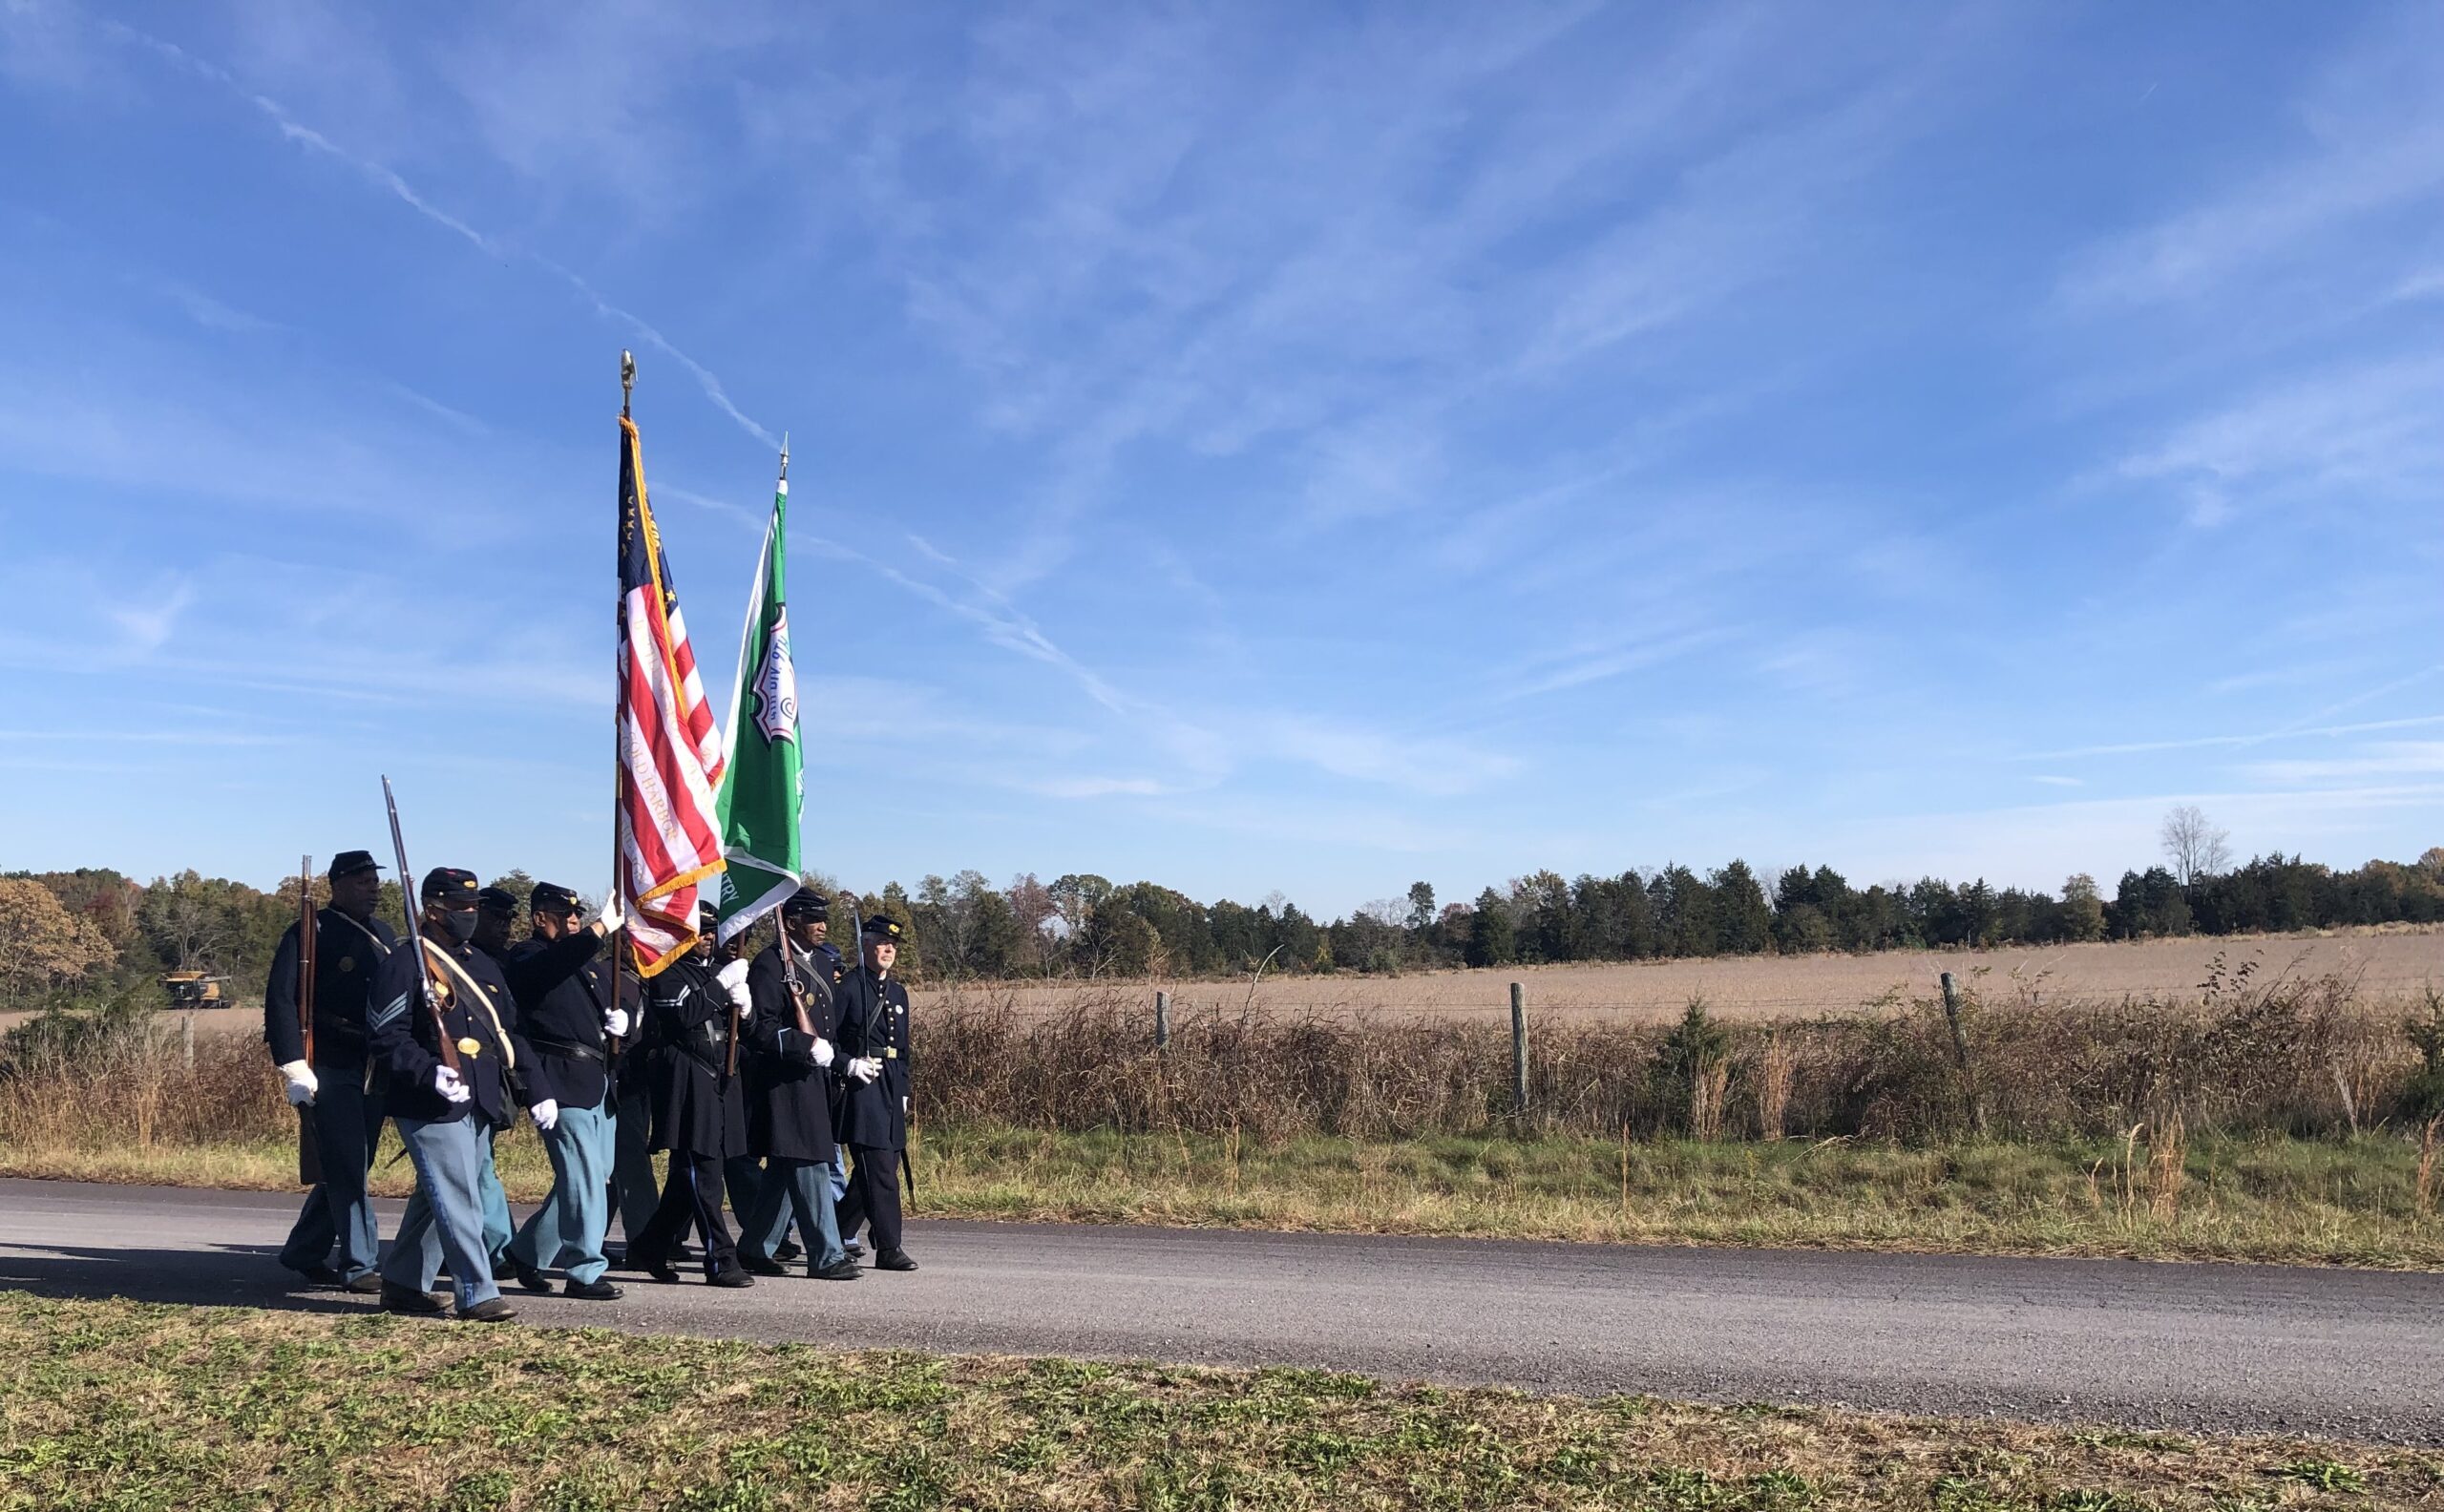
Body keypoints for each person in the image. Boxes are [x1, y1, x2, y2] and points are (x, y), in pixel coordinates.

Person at [368, 868, 557, 1322]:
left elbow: (508, 1032)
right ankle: (477, 1292)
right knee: (459, 1196)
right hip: (429, 1101)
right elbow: (385, 1034)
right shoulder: (406, 962)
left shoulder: (482, 964)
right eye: (459, 907)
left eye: (473, 907)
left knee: (441, 1193)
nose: (469, 914)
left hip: (480, 1096)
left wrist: (538, 1090)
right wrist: (427, 1070)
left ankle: (404, 1282)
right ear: (433, 910)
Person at [263, 849, 397, 1291]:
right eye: (362, 881)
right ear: (337, 884)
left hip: (373, 1060)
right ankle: (359, 1264)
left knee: (351, 1163)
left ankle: (304, 1250)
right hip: (328, 1061)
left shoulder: (384, 933)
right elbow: (281, 998)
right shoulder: (309, 930)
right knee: (347, 1162)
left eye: (375, 881)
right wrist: (293, 1063)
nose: (372, 889)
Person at [500, 883, 626, 1300]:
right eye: (565, 915)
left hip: (596, 1078)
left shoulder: (585, 964)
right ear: (540, 918)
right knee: (583, 1177)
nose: (574, 921)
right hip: (560, 1077)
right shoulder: (528, 956)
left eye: (578, 915)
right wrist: (598, 930)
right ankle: (584, 1270)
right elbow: (549, 969)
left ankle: (526, 1251)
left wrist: (621, 1023)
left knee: (594, 1175)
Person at [625, 903, 754, 1288]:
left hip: (720, 1084)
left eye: (712, 931)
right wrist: (722, 985)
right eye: (700, 930)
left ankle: (649, 1247)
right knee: (704, 1174)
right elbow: (683, 1014)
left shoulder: (716, 973)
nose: (708, 937)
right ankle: (721, 1259)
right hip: (687, 1084)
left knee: (689, 1178)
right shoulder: (666, 971)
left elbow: (740, 1033)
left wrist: (746, 1010)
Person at [738, 890, 859, 1280]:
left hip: (815, 1079)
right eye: (812, 919)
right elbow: (759, 1030)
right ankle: (826, 1255)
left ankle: (755, 1247)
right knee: (811, 1163)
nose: (822, 926)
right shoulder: (769, 964)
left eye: (823, 919)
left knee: (783, 1168)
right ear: (790, 923)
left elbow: (827, 1026)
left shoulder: (821, 962)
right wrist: (804, 1046)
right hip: (784, 1082)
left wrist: (839, 1060)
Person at [832, 914, 916, 1271]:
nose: (889, 950)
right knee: (880, 1170)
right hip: (862, 1086)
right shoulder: (849, 988)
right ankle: (889, 1247)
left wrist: (904, 1088)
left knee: (880, 1165)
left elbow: (905, 1047)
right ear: (865, 945)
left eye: (893, 945)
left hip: (891, 1084)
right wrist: (848, 1063)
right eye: (882, 943)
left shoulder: (897, 992)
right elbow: (828, 1040)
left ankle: (835, 1231)